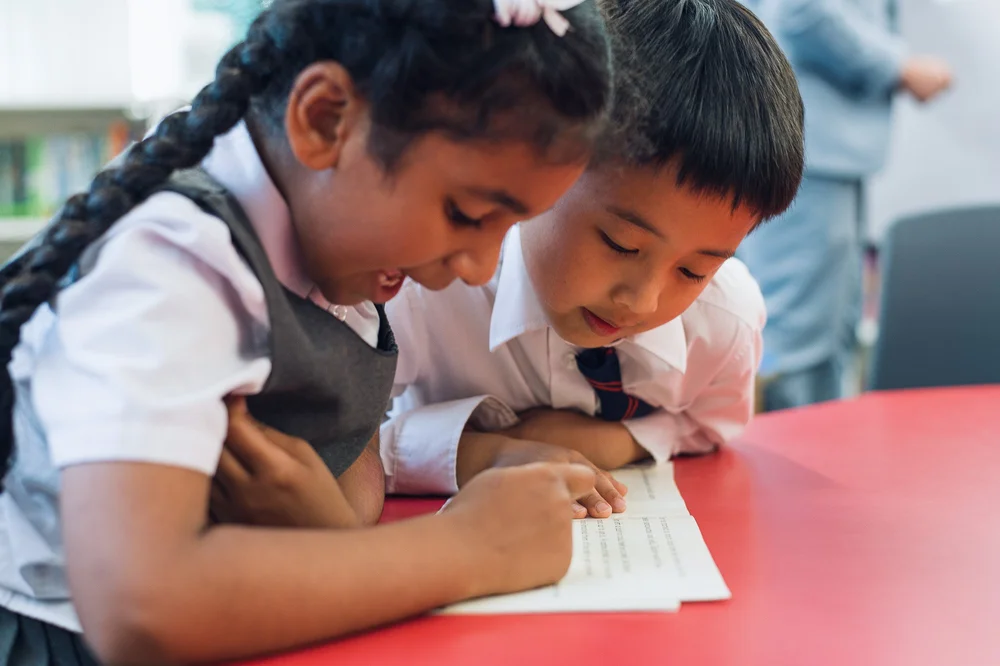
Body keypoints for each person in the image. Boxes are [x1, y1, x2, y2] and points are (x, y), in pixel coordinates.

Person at [0, 0, 613, 663]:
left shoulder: (341, 240)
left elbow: (358, 476)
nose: (479, 268)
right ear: (325, 118)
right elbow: (140, 607)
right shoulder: (169, 269)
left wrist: (328, 520)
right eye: (466, 213)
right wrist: (472, 547)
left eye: (507, 228)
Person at [379, 0, 805, 517]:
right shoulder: (425, 284)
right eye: (622, 244)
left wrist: (617, 441)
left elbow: (712, 424)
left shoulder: (723, 322)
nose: (642, 300)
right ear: (543, 164)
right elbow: (332, 444)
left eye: (694, 271)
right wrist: (474, 451)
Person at [738, 0, 953, 410]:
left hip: (828, 153)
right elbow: (802, 11)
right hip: (810, 153)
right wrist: (898, 66)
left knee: (832, 334)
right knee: (796, 340)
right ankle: (788, 460)